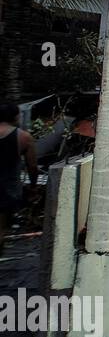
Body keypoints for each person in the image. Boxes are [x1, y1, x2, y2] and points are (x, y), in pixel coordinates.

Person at [0, 102, 39, 258]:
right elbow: (32, 166)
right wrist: (33, 187)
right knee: (1, 229)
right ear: (15, 116)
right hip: (6, 190)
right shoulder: (23, 137)